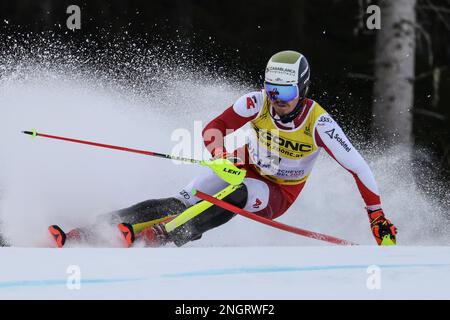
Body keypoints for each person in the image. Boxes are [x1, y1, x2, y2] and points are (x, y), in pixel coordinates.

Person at [49, 50, 397, 248]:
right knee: (181, 200)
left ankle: (168, 235)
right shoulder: (256, 102)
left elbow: (359, 168)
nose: (277, 101)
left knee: (241, 193)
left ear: (301, 90)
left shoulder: (319, 124)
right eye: (271, 90)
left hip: (276, 191)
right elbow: (215, 129)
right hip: (242, 164)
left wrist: (377, 217)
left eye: (285, 93)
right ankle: (93, 229)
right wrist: (219, 157)